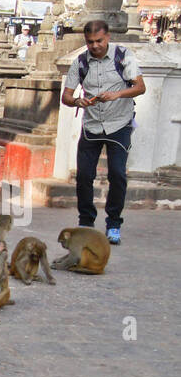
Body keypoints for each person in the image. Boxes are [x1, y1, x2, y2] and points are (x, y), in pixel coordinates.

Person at [60, 20, 145, 245]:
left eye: (99, 41)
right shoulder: (80, 62)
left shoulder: (123, 56)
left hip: (120, 123)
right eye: (90, 42)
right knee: (85, 176)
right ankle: (86, 221)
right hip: (92, 125)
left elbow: (140, 87)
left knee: (117, 174)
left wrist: (116, 95)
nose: (95, 46)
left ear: (107, 37)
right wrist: (78, 101)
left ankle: (114, 223)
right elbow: (66, 97)